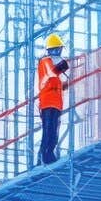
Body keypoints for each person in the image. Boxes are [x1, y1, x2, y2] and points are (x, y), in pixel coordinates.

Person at [36, 34, 71, 164]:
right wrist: (63, 66)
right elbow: (52, 73)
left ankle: (49, 154)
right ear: (55, 49)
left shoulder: (52, 68)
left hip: (56, 103)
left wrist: (64, 85)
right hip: (47, 103)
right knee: (48, 130)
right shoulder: (45, 62)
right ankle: (44, 156)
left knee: (53, 132)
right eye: (59, 49)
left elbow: (54, 80)